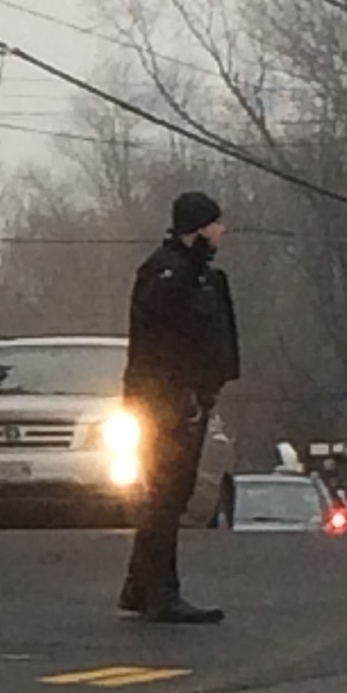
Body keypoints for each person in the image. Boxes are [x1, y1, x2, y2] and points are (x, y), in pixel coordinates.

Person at [120, 190, 240, 623]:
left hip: (193, 398)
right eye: (215, 224)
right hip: (164, 401)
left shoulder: (207, 277)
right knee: (166, 494)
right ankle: (161, 592)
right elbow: (161, 314)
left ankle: (139, 585)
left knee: (174, 492)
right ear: (199, 229)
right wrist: (192, 264)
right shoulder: (165, 271)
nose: (222, 230)